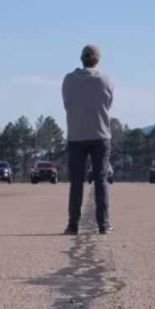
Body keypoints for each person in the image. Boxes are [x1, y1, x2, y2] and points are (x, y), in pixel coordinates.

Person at [62, 44, 114, 235]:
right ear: (97, 59)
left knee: (76, 182)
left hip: (76, 135)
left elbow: (66, 104)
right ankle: (104, 224)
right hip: (100, 134)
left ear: (81, 59)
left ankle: (73, 224)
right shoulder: (105, 79)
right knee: (101, 180)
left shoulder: (68, 80)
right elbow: (108, 103)